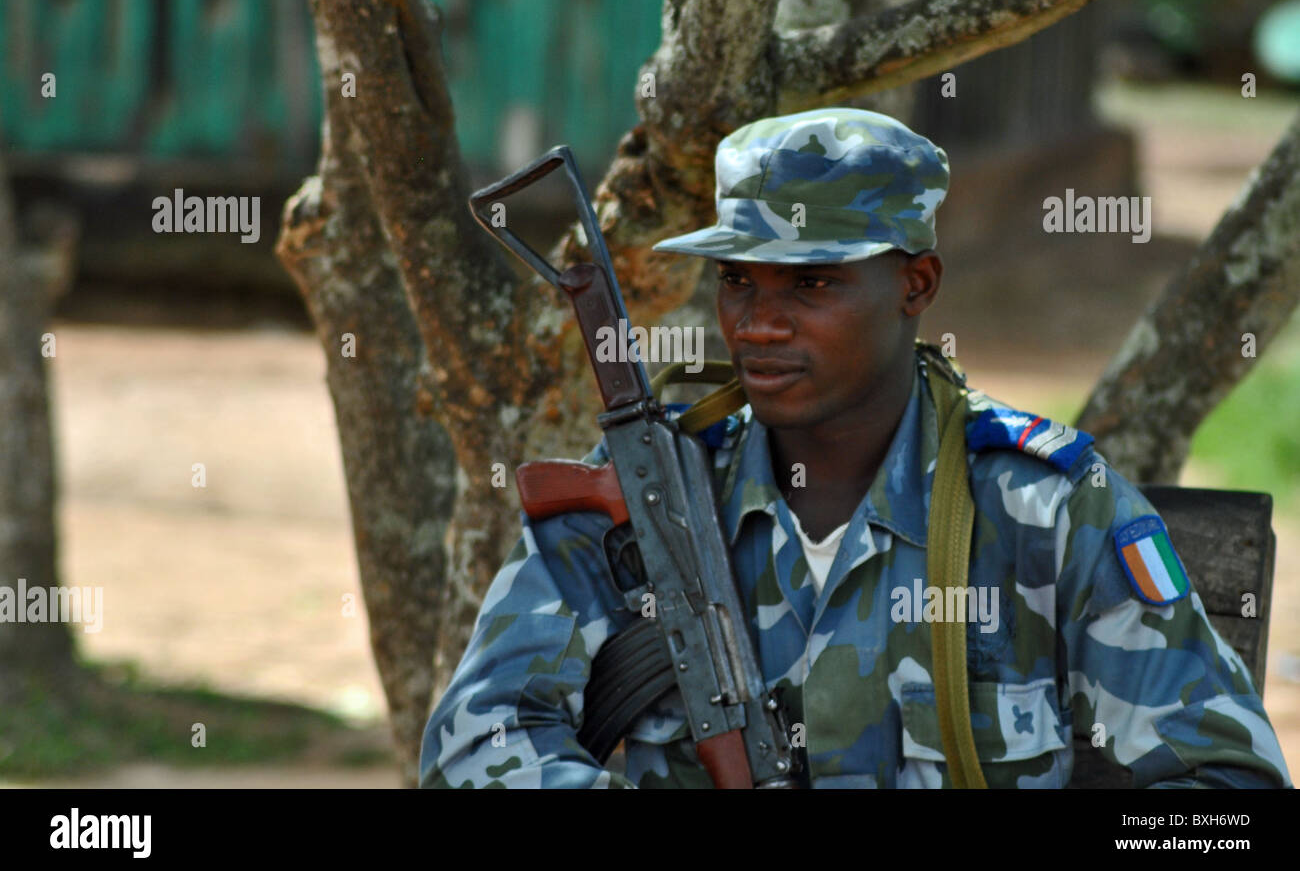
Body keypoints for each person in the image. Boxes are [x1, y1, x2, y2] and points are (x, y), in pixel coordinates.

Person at [419, 107, 1291, 788]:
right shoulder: (645, 506)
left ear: (915, 285)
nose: (758, 322)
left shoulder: (1045, 507)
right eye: (736, 281)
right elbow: (475, 742)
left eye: (812, 283)